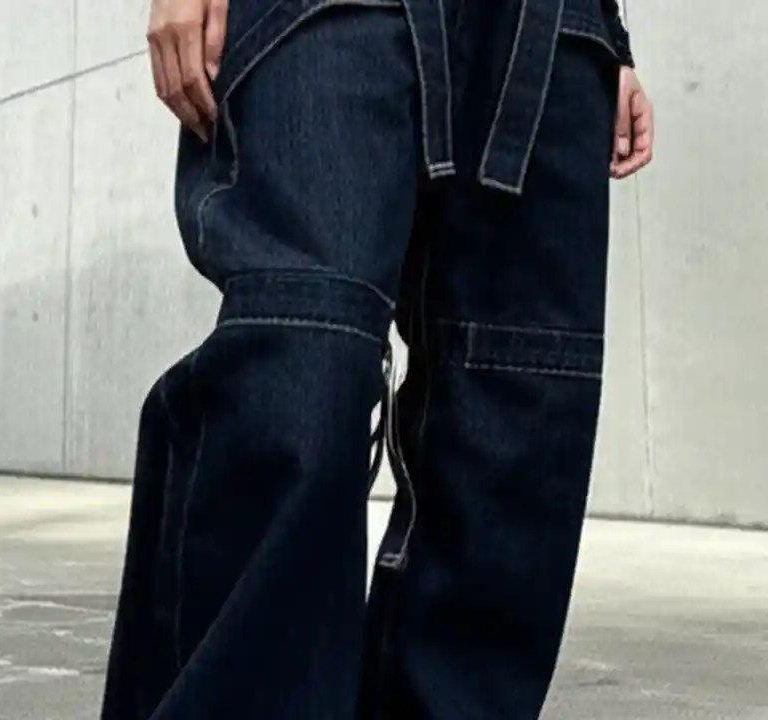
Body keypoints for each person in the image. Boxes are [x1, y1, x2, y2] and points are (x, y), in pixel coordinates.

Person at [101, 0, 653, 716]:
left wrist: (613, 38)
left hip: (552, 28)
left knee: (516, 427)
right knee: (297, 372)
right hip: (321, 14)